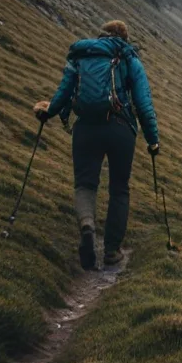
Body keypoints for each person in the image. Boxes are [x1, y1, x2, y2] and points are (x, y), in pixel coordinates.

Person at [33, 20, 159, 270]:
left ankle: (87, 226)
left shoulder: (82, 56)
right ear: (124, 38)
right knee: (119, 189)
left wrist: (48, 113)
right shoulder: (128, 58)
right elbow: (143, 104)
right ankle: (111, 252)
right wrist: (153, 140)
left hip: (85, 128)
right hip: (120, 129)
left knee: (85, 183)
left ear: (101, 35)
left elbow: (63, 94)